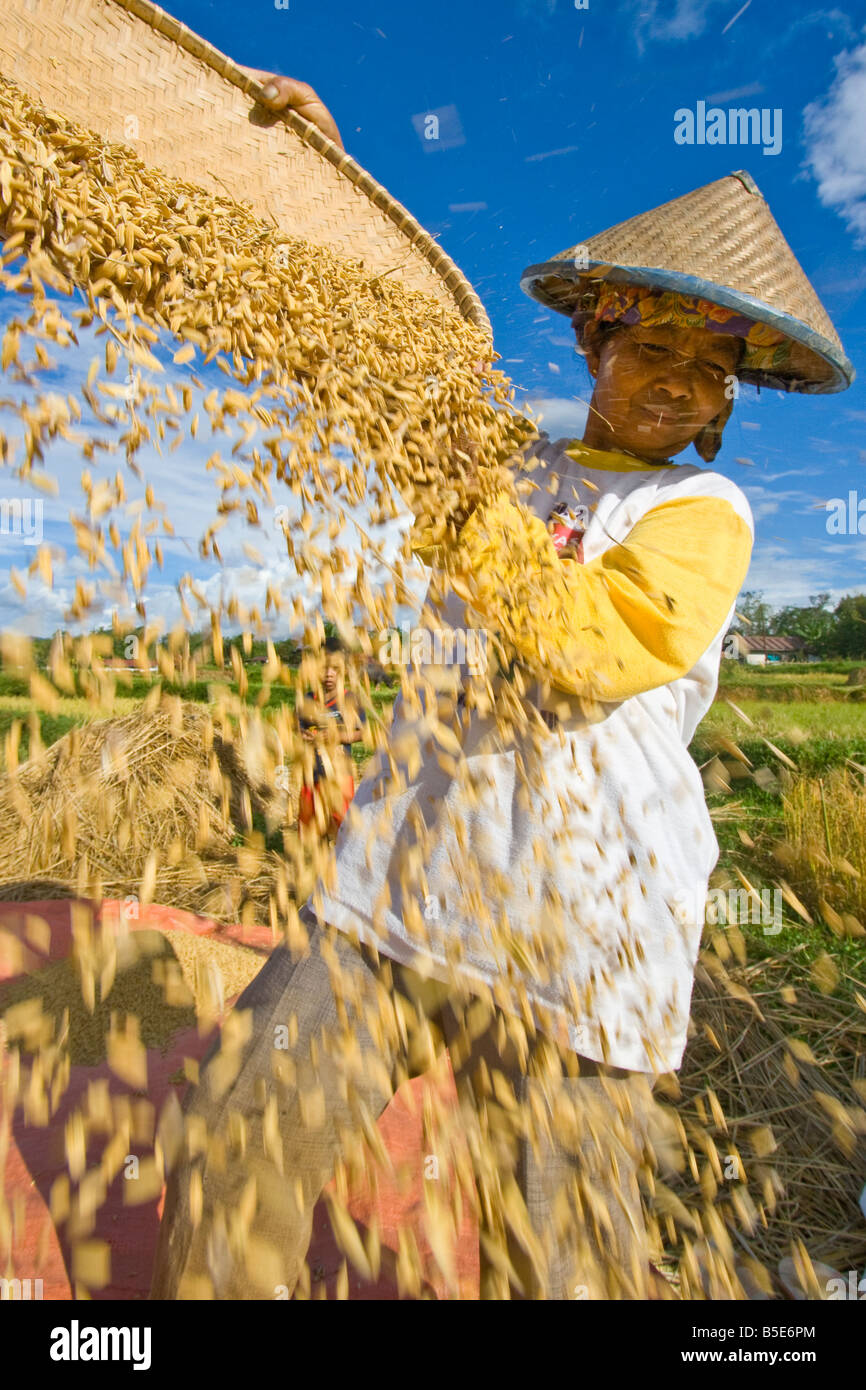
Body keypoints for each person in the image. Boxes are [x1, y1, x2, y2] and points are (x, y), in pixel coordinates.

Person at [150, 82, 853, 1301]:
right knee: (237, 1131)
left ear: (731, 398)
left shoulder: (701, 512)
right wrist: (319, 184)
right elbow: (373, 351)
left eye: (710, 365)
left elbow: (585, 641)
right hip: (398, 891)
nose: (679, 381)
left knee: (560, 1257)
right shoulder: (501, 461)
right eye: (652, 345)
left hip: (583, 936)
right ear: (592, 344)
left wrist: (462, 492)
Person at [296, 645, 366, 839]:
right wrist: (305, 735)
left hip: (340, 774)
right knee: (310, 827)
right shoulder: (307, 700)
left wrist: (336, 737)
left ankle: (340, 864)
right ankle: (313, 864)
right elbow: (298, 728)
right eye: (323, 668)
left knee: (343, 826)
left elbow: (363, 733)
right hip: (312, 773)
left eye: (334, 669)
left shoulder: (350, 698)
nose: (328, 674)